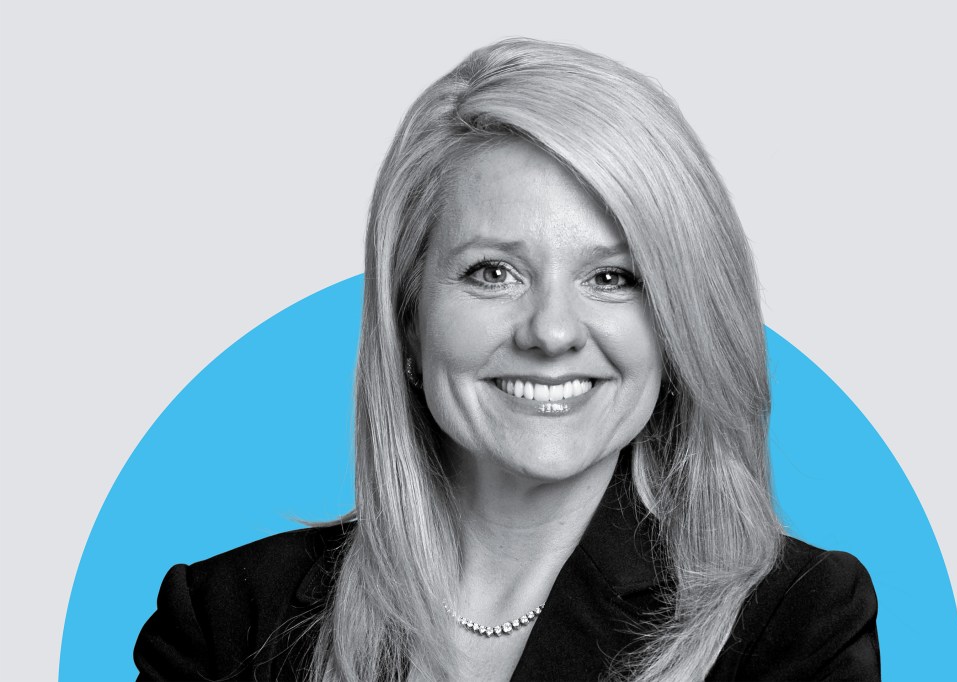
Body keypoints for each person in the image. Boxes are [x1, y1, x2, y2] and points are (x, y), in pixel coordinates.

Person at [135, 38, 880, 681]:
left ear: (677, 325)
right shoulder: (225, 620)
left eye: (613, 277)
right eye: (493, 272)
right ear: (408, 317)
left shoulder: (796, 620)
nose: (551, 332)